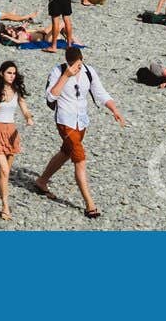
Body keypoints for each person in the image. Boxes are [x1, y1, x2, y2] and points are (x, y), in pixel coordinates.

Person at [34, 47, 125, 219]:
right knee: (80, 159)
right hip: (64, 121)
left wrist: (114, 109)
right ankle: (90, 204)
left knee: (66, 152)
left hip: (81, 121)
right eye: (71, 64)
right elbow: (50, 97)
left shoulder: (89, 71)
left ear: (82, 60)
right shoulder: (58, 71)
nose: (75, 67)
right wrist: (66, 76)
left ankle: (41, 181)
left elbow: (100, 92)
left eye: (77, 64)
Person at [0, 61, 35, 221]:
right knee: (5, 170)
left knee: (4, 171)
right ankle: (5, 207)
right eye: (9, 73)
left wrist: (28, 118)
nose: (12, 76)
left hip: (11, 132)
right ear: (1, 74)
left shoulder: (17, 91)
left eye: (14, 73)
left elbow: (24, 109)